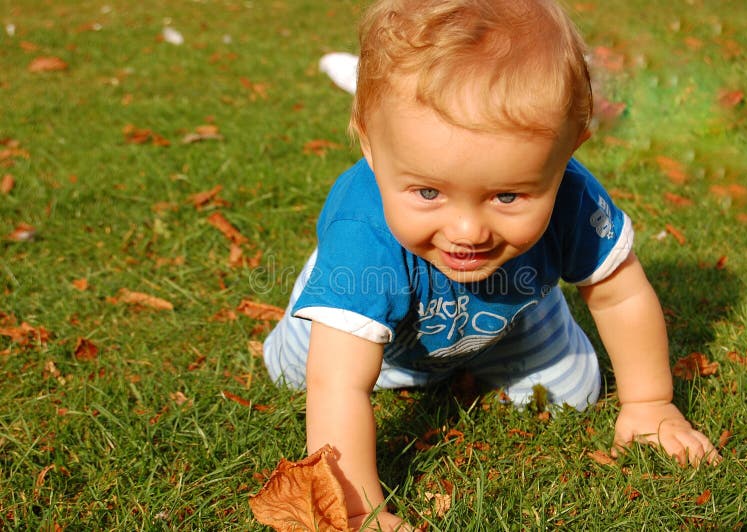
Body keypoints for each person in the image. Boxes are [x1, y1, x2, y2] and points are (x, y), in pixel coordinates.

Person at [263, 0, 720, 528]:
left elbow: (620, 292)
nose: (467, 232)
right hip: (366, 325)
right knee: (296, 372)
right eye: (428, 191)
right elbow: (336, 383)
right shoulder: (363, 234)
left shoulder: (571, 196)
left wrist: (648, 403)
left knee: (575, 395)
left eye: (507, 196)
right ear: (369, 144)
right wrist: (358, 512)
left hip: (503, 307)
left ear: (569, 151)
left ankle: (481, 351)